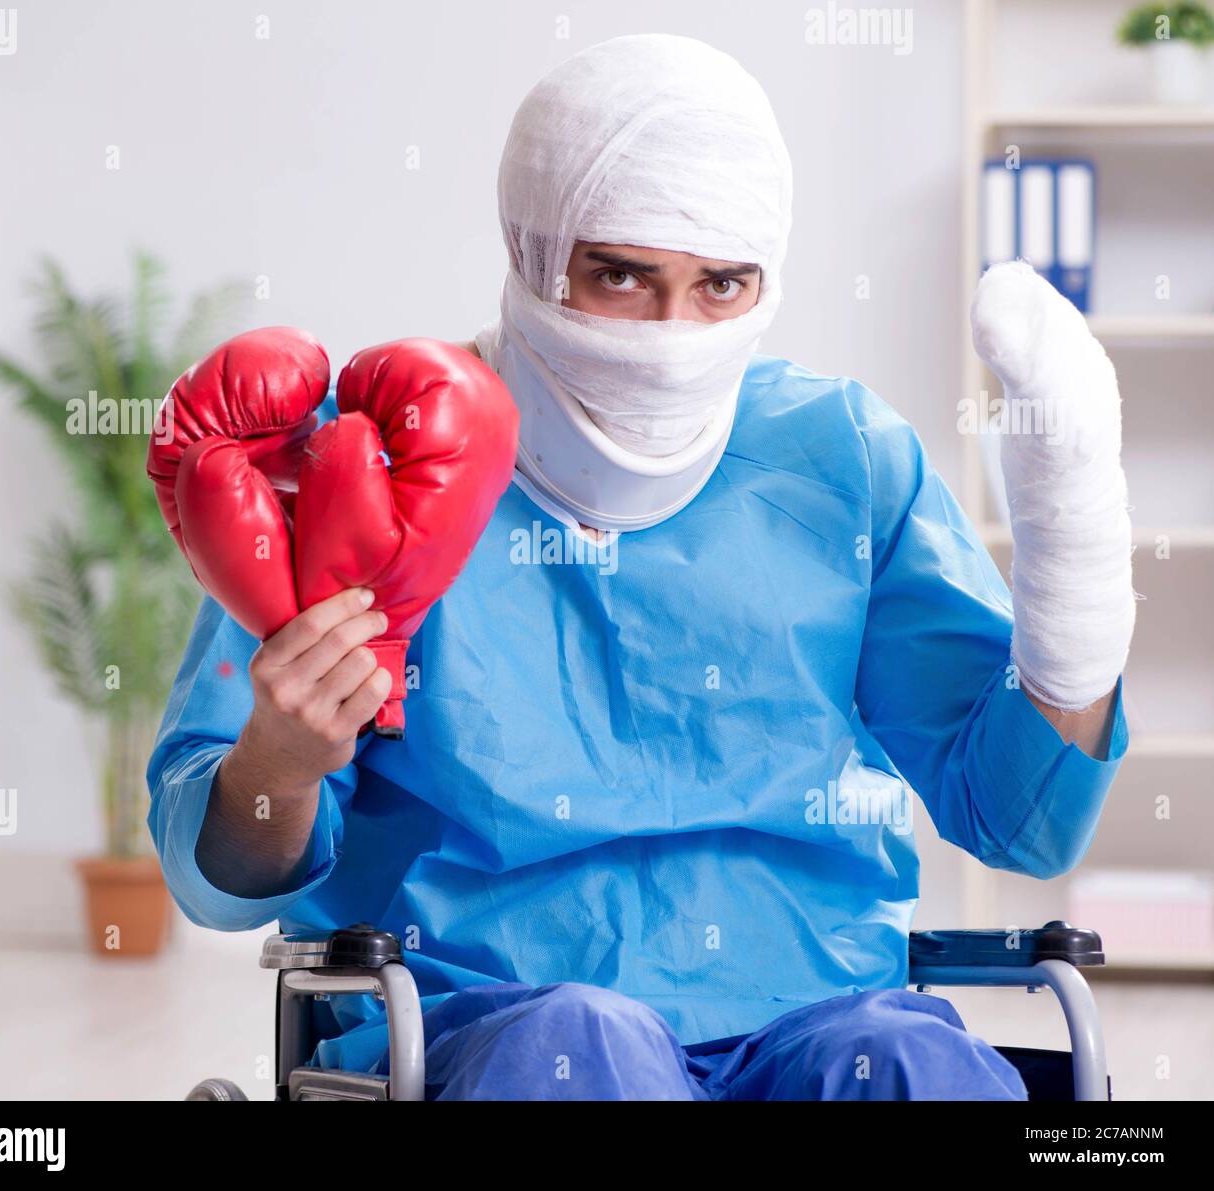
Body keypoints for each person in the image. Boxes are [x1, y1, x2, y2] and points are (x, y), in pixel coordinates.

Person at [148, 34, 1132, 1100]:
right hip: (486, 1026)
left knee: (914, 1063)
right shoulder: (362, 456)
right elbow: (222, 882)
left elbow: (1018, 818)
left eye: (721, 285)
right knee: (585, 1044)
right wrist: (282, 764)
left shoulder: (841, 461)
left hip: (811, 1018)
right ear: (533, 251)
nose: (673, 335)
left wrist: (1072, 581)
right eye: (620, 276)